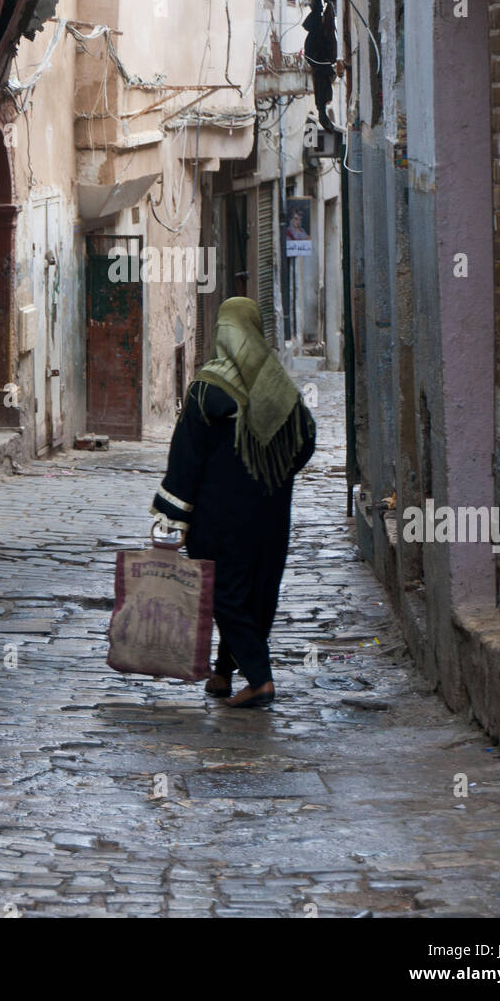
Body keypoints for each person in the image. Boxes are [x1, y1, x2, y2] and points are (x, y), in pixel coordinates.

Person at [151, 297, 316, 708]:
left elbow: (186, 460)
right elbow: (305, 440)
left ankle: (259, 679)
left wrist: (172, 516)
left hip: (218, 518)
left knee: (223, 591)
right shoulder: (278, 385)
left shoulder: (207, 389)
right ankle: (223, 674)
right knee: (257, 589)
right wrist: (273, 473)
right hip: (269, 514)